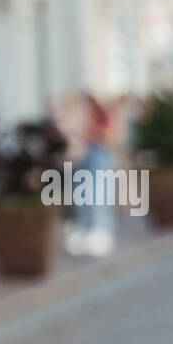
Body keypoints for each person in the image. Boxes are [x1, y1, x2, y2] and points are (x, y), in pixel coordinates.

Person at [66, 94, 116, 258]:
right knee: (81, 197)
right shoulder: (76, 116)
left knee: (97, 195)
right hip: (80, 157)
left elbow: (110, 136)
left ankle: (100, 233)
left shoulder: (102, 117)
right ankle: (85, 232)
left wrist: (91, 133)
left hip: (97, 154)